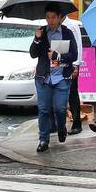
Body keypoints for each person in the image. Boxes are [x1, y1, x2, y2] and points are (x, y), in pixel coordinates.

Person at [28, 8, 78, 153]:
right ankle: (43, 139)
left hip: (61, 76)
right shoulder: (42, 32)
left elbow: (74, 55)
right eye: (47, 17)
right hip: (44, 77)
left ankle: (61, 127)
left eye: (53, 17)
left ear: (59, 18)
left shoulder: (67, 32)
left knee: (60, 108)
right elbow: (32, 53)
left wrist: (58, 56)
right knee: (44, 109)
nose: (50, 21)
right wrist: (37, 39)